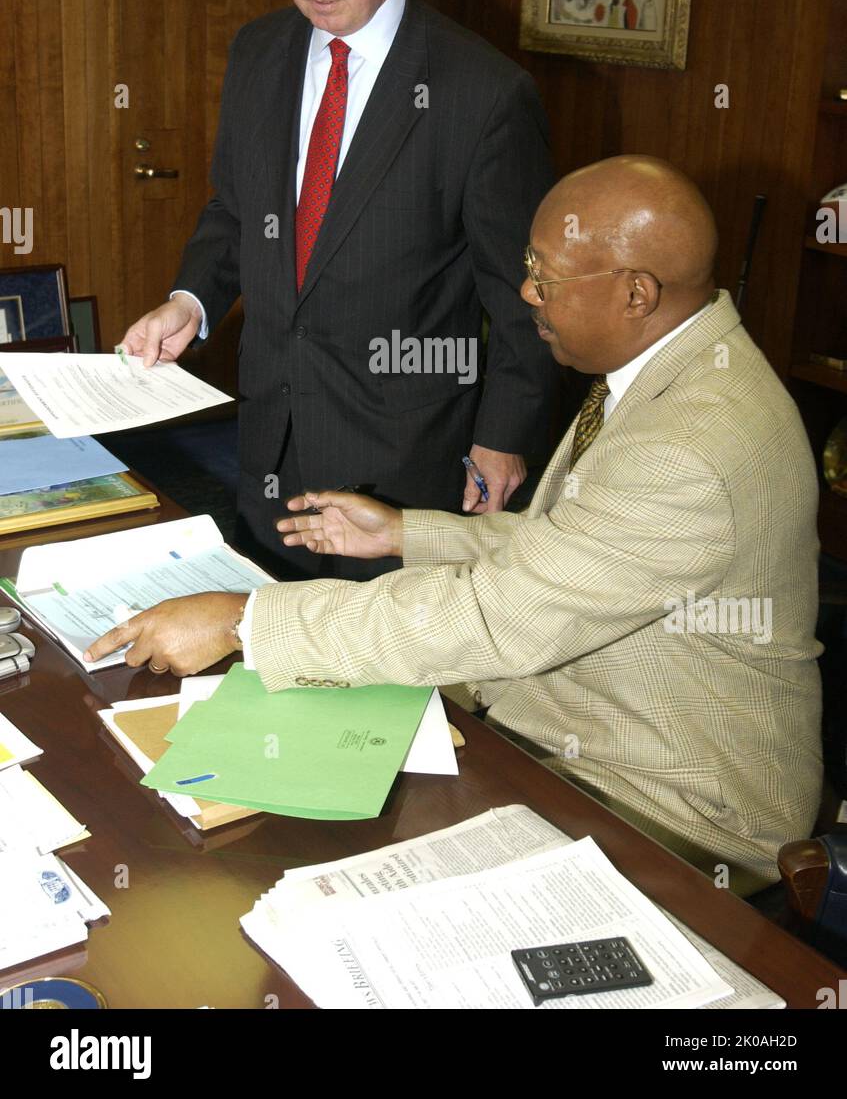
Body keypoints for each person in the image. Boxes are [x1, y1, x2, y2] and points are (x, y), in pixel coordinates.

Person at [92, 156, 823, 893]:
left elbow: (501, 613)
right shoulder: (676, 370)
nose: (526, 291)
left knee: (311, 879)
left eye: (546, 275)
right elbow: (577, 545)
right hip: (570, 725)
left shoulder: (689, 443)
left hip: (670, 806)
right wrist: (407, 533)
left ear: (637, 292)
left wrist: (245, 623)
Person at [118, 0, 556, 580]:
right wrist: (190, 301)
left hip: (402, 470)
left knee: (386, 684)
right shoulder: (258, 54)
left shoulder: (480, 93)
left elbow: (524, 295)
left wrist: (501, 437)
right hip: (266, 451)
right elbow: (235, 209)